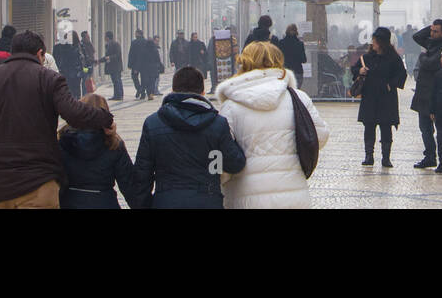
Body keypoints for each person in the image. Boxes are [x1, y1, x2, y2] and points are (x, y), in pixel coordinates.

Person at [0, 30, 114, 209]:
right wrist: (105, 118)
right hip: (39, 184)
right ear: (40, 54)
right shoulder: (50, 79)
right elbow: (74, 113)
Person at [215, 41, 329, 208]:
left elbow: (223, 156)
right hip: (293, 196)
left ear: (244, 63)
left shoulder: (230, 107)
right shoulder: (298, 98)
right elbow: (320, 136)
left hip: (246, 197)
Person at [134, 65, 247, 208]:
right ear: (203, 92)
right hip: (207, 200)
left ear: (173, 90)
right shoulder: (218, 124)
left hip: (166, 200)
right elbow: (235, 164)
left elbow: (142, 176)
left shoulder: (153, 123)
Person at [57, 93, 140, 209]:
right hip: (104, 201)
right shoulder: (114, 144)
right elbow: (129, 185)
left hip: (70, 201)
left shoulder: (62, 141)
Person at [353, 26, 407, 167]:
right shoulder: (367, 57)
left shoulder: (393, 58)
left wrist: (391, 84)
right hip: (370, 96)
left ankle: (386, 157)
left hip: (386, 98)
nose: (373, 43)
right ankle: (369, 156)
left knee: (386, 127)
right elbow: (354, 69)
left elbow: (402, 74)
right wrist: (360, 70)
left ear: (382, 42)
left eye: (375, 41)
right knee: (369, 126)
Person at [410, 19, 442, 168]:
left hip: (436, 94)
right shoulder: (431, 42)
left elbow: (430, 63)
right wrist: (432, 26)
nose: (432, 34)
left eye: (436, 31)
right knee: (424, 128)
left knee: (441, 130)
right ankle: (429, 156)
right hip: (423, 93)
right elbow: (416, 37)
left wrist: (422, 56)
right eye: (431, 31)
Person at [55, 32, 84, 100]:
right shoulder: (77, 47)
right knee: (74, 91)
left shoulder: (77, 47)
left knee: (72, 91)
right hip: (73, 73)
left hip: (72, 73)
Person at [278, 24, 308, 88]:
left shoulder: (281, 43)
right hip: (297, 71)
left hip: (285, 71)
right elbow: (304, 60)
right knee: (296, 92)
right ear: (296, 32)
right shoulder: (300, 44)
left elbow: (278, 58)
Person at [100, 30, 124, 101]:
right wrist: (99, 61)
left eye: (105, 36)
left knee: (117, 81)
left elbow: (117, 55)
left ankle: (119, 95)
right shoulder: (107, 45)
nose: (104, 38)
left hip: (116, 66)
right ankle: (117, 95)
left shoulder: (115, 44)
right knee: (115, 81)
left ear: (108, 37)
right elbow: (107, 56)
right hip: (112, 66)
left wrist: (109, 57)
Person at [127, 30, 151, 99]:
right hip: (145, 64)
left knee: (134, 77)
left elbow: (131, 54)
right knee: (144, 79)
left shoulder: (134, 42)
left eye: (136, 33)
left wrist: (129, 64)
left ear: (138, 34)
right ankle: (142, 93)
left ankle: (139, 89)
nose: (135, 34)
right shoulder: (146, 42)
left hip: (135, 64)